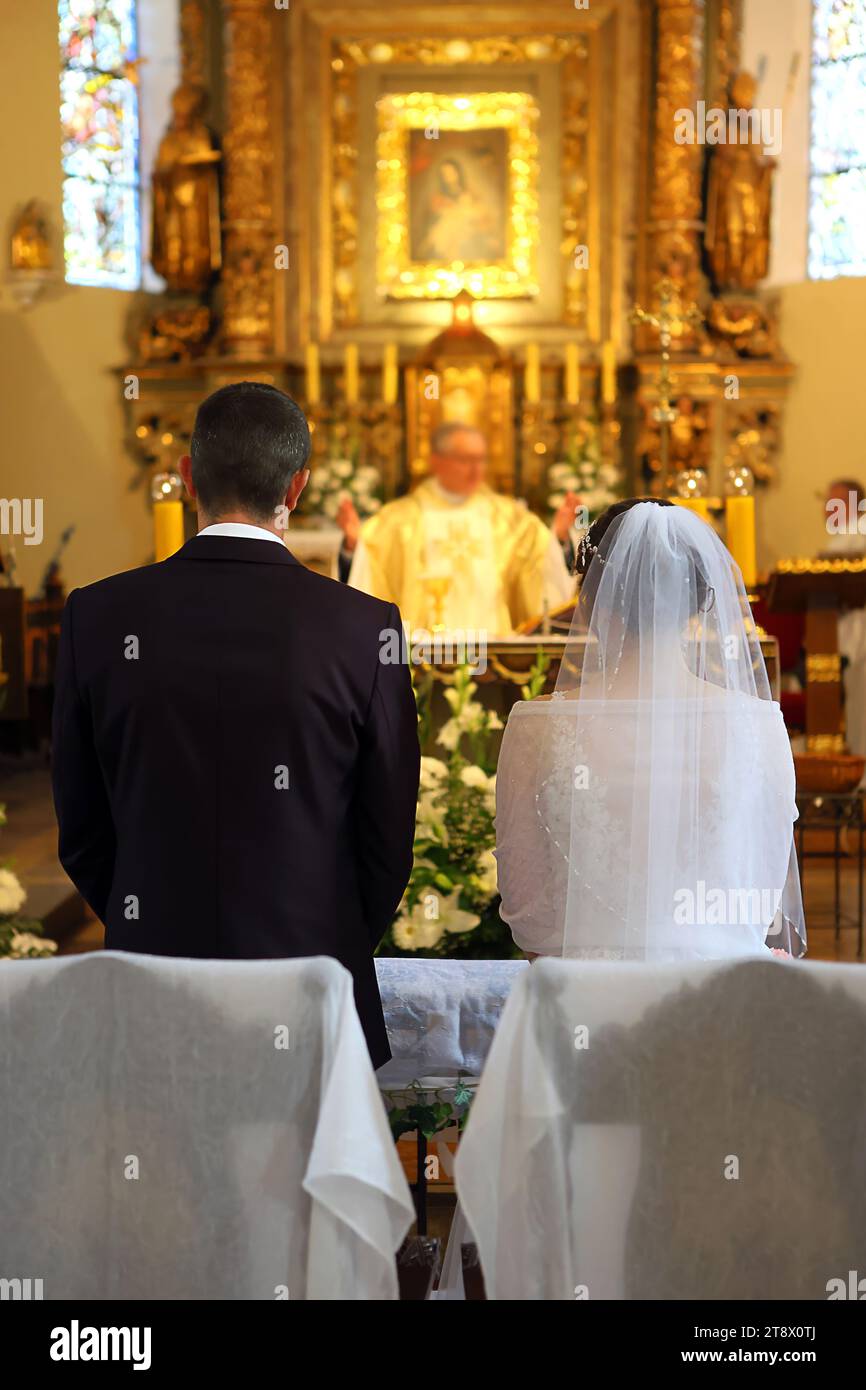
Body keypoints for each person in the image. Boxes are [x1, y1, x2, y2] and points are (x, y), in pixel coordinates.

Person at [51, 381, 419, 1069]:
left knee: (164, 1172)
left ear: (188, 476)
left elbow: (82, 826)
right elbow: (387, 835)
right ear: (299, 487)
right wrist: (329, 930)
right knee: (302, 1176)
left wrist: (149, 916)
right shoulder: (364, 628)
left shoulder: (97, 617)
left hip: (153, 977)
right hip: (313, 985)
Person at [494, 497, 805, 961]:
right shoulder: (759, 726)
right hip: (715, 1000)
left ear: (591, 598)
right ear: (701, 599)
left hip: (578, 1000)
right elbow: (763, 894)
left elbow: (525, 913)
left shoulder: (536, 726)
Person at [337, 423, 578, 633]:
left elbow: (541, 570)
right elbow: (367, 571)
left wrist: (558, 539)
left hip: (495, 650)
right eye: (465, 460)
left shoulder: (511, 519)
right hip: (419, 657)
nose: (476, 469)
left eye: (480, 459)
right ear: (437, 461)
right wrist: (352, 546)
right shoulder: (398, 520)